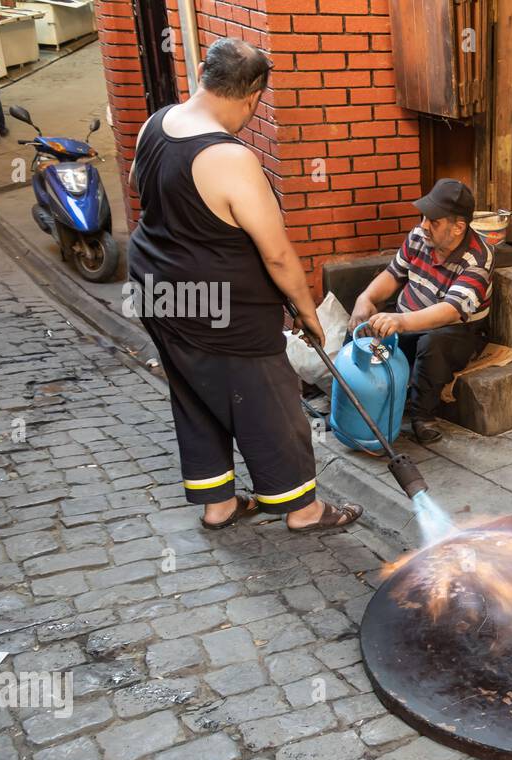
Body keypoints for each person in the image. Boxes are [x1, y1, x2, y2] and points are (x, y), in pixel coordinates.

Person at [126, 37, 362, 532]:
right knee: (267, 400)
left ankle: (220, 505)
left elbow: (137, 184)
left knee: (194, 392)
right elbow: (276, 254)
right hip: (221, 307)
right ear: (253, 95)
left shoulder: (158, 122)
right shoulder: (228, 156)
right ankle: (302, 510)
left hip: (153, 289)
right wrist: (306, 312)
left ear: (205, 78)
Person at [352, 179, 494, 444]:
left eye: (434, 221)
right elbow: (393, 274)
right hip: (409, 318)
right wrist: (366, 299)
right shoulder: (420, 236)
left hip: (454, 331)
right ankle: (352, 403)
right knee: (364, 326)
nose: (423, 226)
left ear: (458, 228)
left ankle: (422, 415)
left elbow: (451, 311)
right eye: (424, 218)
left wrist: (401, 321)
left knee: (432, 343)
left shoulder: (478, 259)